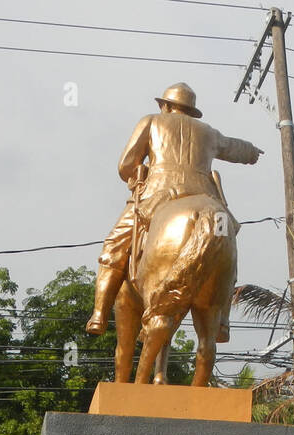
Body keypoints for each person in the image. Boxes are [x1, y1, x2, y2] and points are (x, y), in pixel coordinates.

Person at [85, 82, 262, 339]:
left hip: (159, 194)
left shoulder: (151, 121)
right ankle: (222, 319)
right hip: (205, 194)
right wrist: (252, 151)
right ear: (191, 111)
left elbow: (126, 165)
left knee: (114, 246)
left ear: (166, 106)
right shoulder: (208, 132)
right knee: (228, 244)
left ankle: (99, 315)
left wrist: (136, 176)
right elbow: (233, 147)